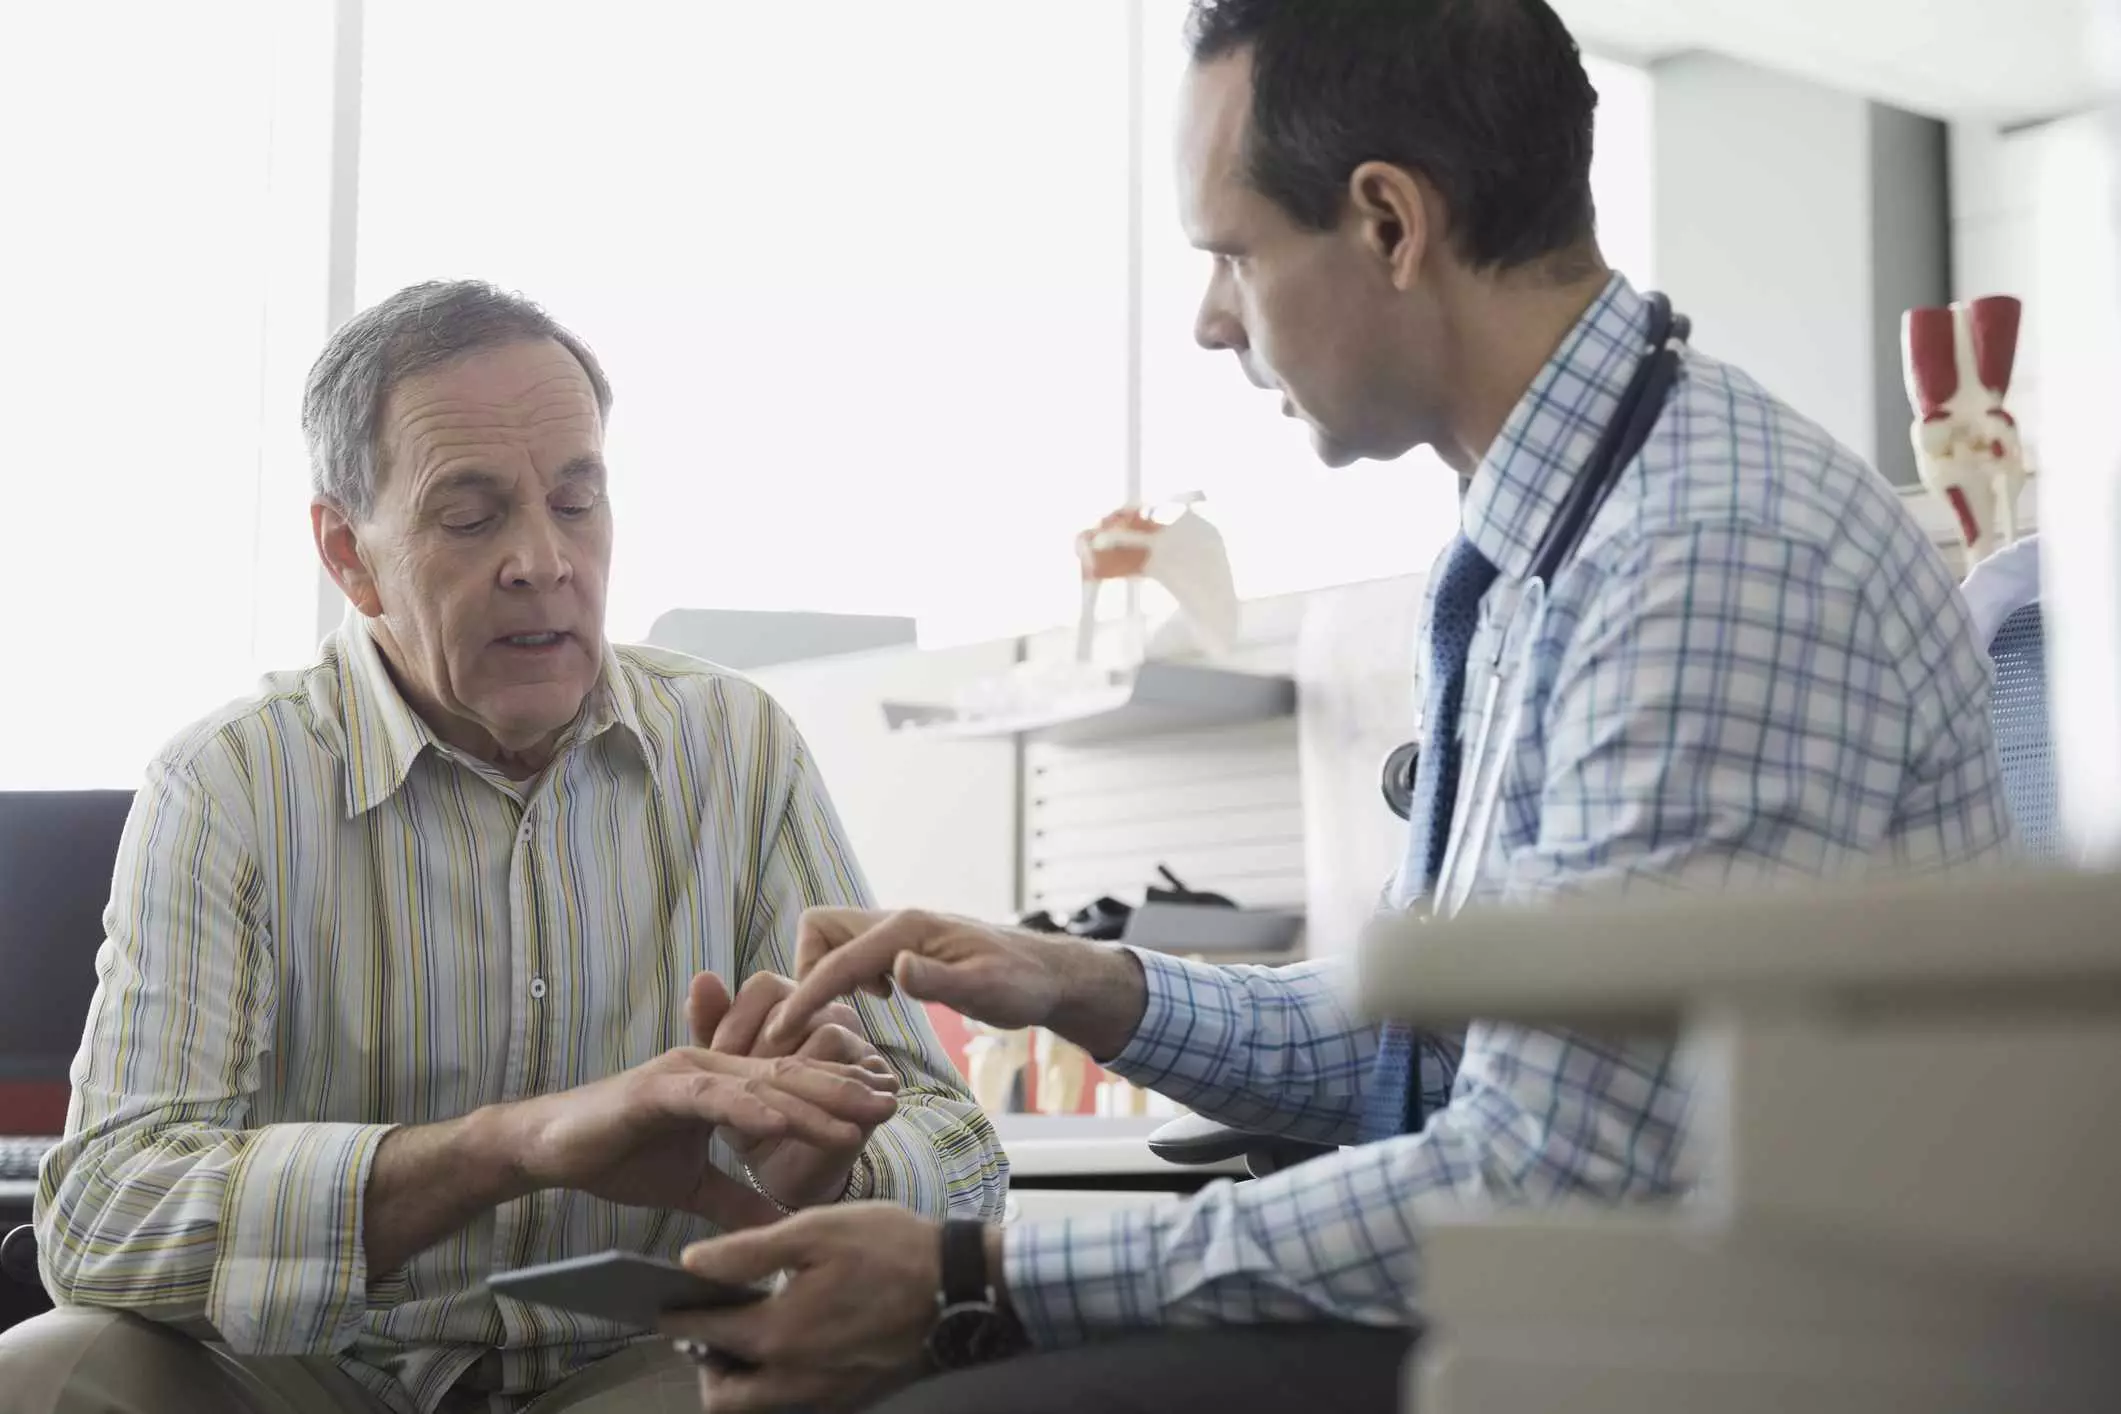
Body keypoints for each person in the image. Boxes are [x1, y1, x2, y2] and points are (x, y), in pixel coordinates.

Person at [659, 1, 2015, 1410]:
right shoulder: (1560, 535)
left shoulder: (1706, 553)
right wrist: (1080, 983)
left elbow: (1550, 1182)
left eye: (1233, 254)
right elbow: (1446, 1064)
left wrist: (971, 1274)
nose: (1205, 320)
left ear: (1386, 222)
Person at [0, 281, 1006, 1414]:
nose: (543, 559)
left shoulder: (736, 744)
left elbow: (960, 1151)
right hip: (325, 1372)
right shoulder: (231, 781)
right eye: (472, 518)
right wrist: (506, 1146)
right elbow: (101, 1216)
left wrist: (827, 1163)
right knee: (44, 1375)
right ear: (349, 553)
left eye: (577, 503)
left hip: (642, 1365)